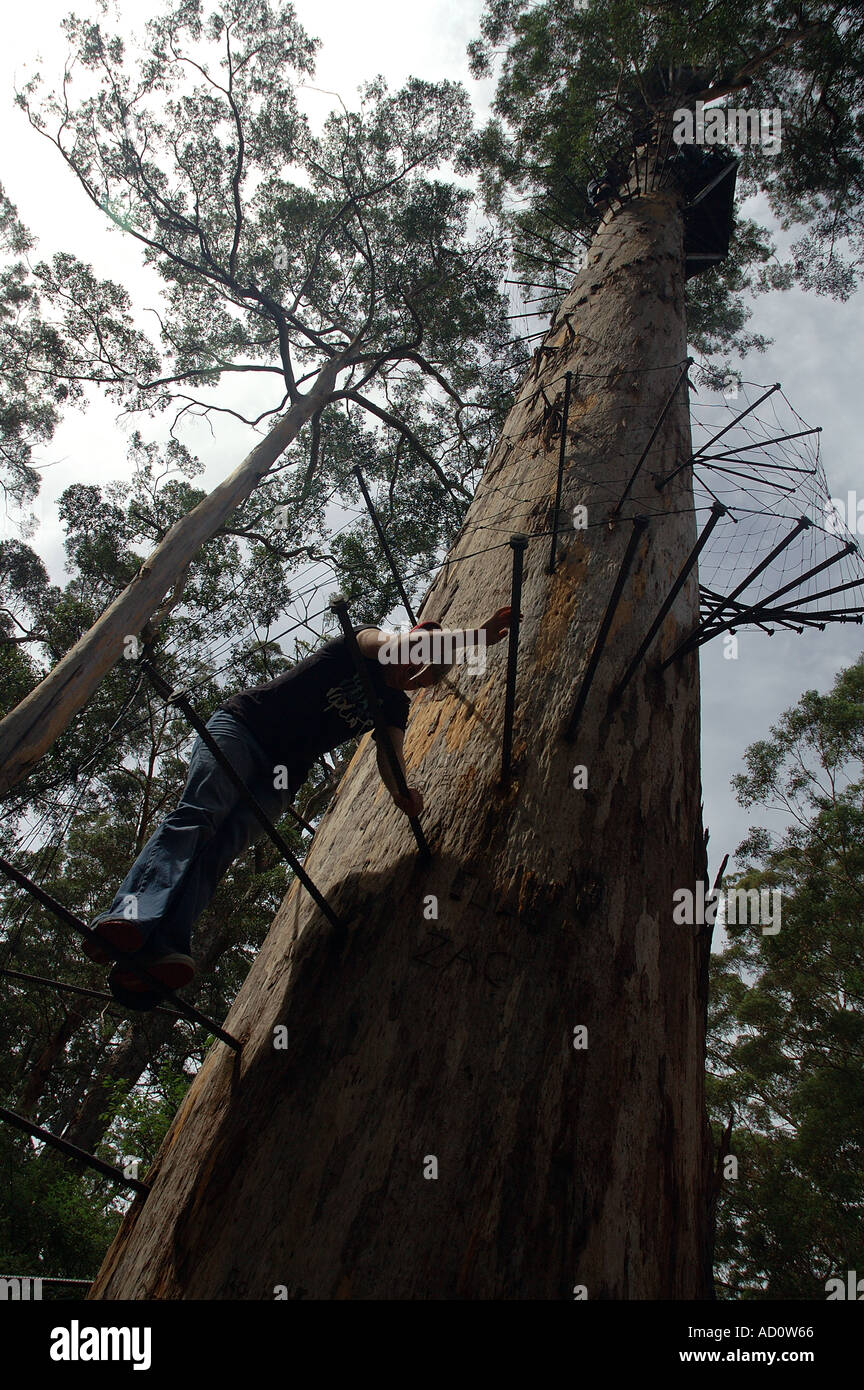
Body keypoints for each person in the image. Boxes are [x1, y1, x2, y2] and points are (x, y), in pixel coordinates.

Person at [85, 609, 513, 1008]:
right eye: (416, 663)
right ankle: (129, 916)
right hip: (245, 728)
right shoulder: (361, 643)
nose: (413, 677)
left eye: (423, 680)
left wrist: (402, 790)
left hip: (285, 772)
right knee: (201, 814)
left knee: (222, 848)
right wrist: (476, 637)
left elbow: (391, 753)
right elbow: (392, 646)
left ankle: (160, 947)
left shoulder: (393, 704)